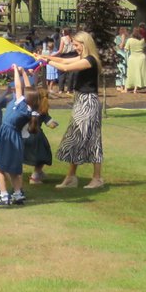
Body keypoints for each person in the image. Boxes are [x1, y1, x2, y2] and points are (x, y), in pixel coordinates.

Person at [37, 30, 105, 189]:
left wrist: (45, 62)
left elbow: (66, 68)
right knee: (76, 137)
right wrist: (44, 57)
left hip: (88, 102)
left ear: (84, 44)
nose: (75, 48)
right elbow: (63, 60)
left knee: (90, 138)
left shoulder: (90, 60)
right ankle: (71, 177)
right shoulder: (83, 57)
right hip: (81, 100)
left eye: (76, 45)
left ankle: (97, 178)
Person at [0, 65, 36, 206]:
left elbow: (18, 86)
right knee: (14, 168)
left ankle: (4, 196)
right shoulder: (29, 107)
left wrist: (16, 70)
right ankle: (17, 194)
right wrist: (24, 73)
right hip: (15, 137)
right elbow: (29, 87)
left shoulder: (20, 103)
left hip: (6, 135)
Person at [23, 76, 60, 185]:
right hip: (37, 137)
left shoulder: (26, 108)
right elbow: (51, 124)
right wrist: (55, 124)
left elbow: (27, 86)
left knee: (26, 154)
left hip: (24, 135)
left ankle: (38, 173)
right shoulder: (43, 110)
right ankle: (35, 176)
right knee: (43, 156)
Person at [124, 25, 146, 94]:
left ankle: (126, 88)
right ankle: (135, 89)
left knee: (130, 73)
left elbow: (126, 49)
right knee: (138, 73)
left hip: (132, 57)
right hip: (141, 57)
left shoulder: (130, 40)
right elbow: (143, 47)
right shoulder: (142, 40)